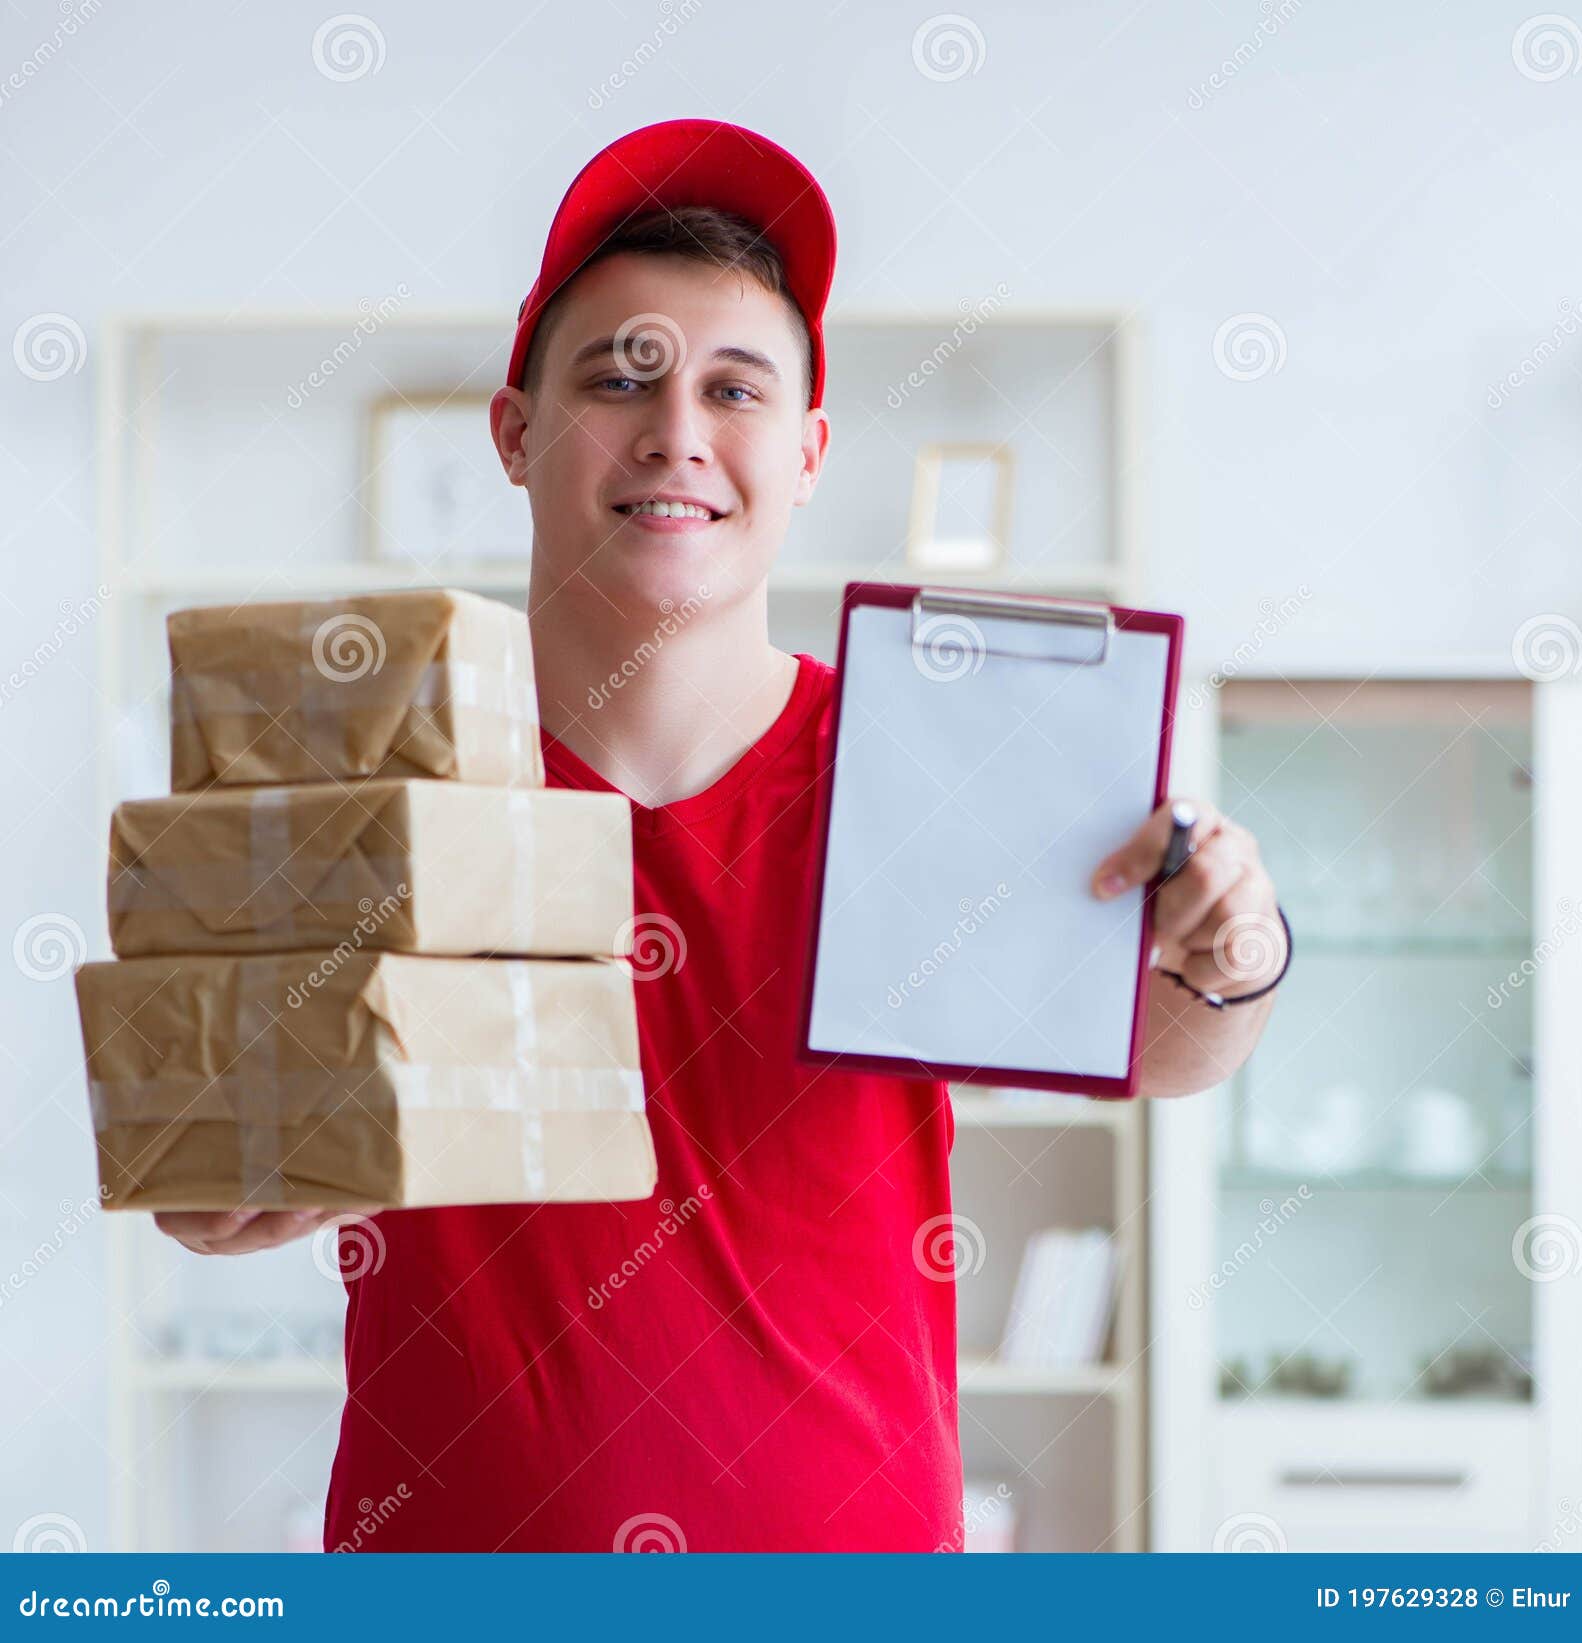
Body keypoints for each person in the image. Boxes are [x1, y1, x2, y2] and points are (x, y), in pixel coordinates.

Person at [153, 118, 1286, 1552]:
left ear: (808, 452)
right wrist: (233, 1180)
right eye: (619, 374)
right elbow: (203, 1172)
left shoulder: (918, 773)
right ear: (515, 433)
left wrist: (1234, 940)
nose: (676, 428)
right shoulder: (377, 778)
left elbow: (1162, 1040)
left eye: (733, 388)